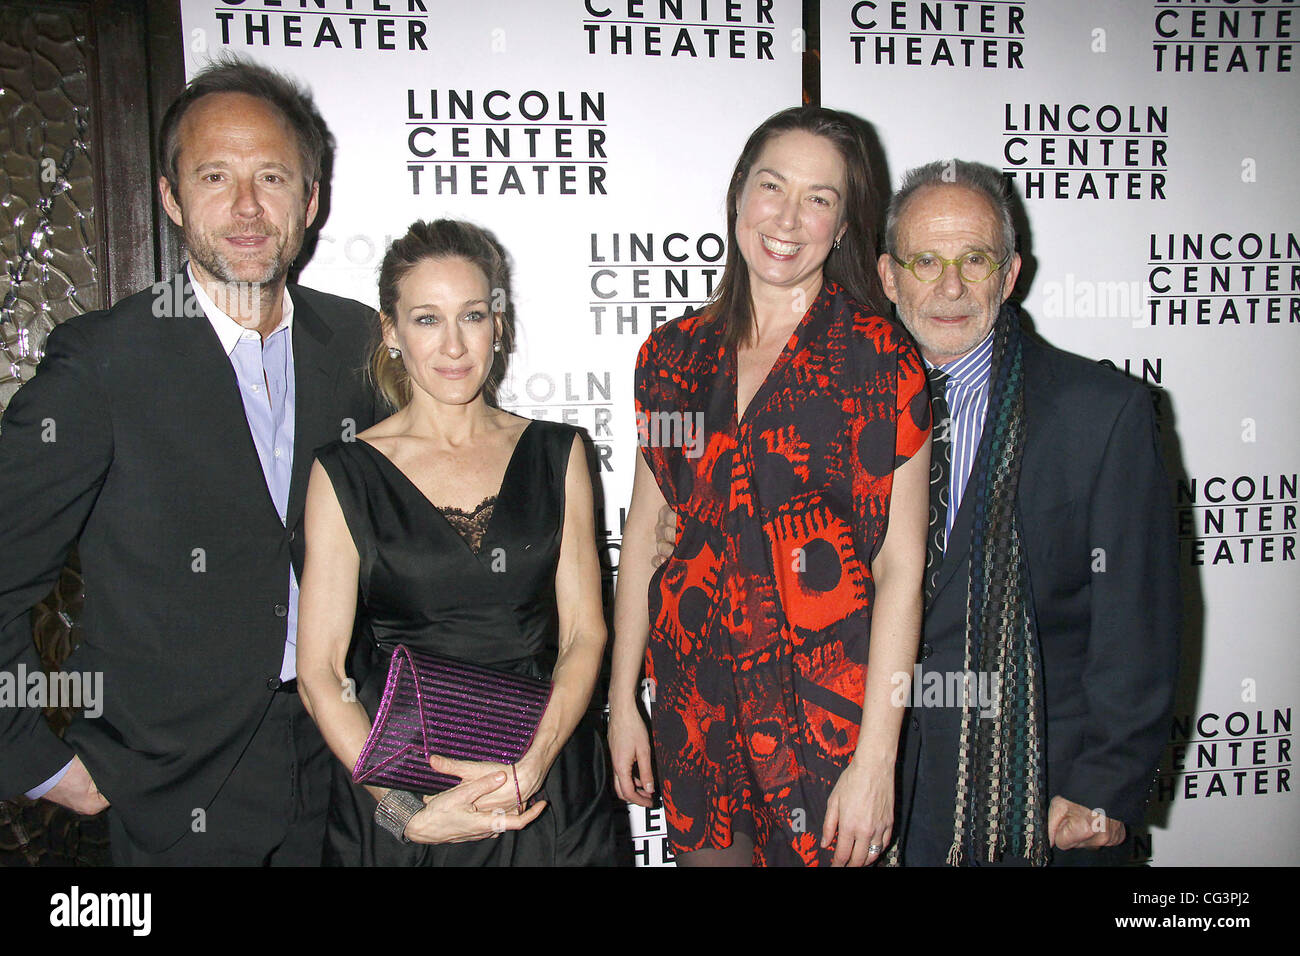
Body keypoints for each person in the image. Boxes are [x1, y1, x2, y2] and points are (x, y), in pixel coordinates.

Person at [0, 57, 380, 863]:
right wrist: (38, 762)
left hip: (349, 776)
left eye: (273, 177)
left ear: (311, 202)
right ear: (171, 198)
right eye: (214, 176)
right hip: (176, 797)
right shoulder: (102, 365)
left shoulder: (359, 344)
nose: (247, 208)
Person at [609, 107, 932, 867]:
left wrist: (876, 761)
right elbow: (647, 537)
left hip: (825, 717)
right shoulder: (672, 358)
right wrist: (623, 697)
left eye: (820, 198)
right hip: (694, 702)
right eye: (772, 186)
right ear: (737, 196)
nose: (788, 217)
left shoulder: (882, 361)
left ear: (846, 222)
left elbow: (900, 571)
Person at [874, 161, 1179, 866]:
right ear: (889, 277)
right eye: (926, 260)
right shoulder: (837, 410)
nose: (950, 287)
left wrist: (1105, 786)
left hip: (1043, 797)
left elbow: (1139, 622)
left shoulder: (1101, 413)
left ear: (1009, 274)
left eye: (974, 259)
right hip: (875, 790)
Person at [296, 219, 621, 865]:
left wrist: (533, 764)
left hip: (550, 785)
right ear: (391, 332)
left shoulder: (558, 453)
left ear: (498, 325)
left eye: (472, 315)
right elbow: (321, 674)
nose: (453, 345)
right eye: (426, 319)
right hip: (411, 788)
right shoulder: (345, 473)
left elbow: (585, 632)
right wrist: (403, 812)